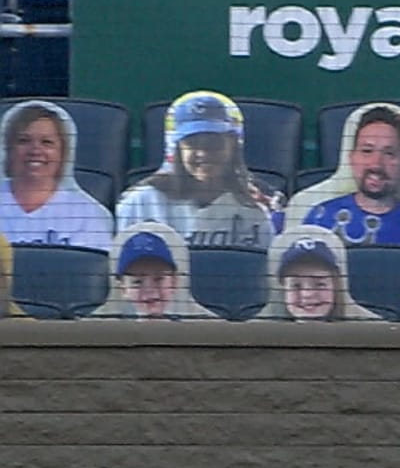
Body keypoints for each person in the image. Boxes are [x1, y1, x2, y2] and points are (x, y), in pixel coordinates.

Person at [115, 91, 281, 249]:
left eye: (213, 143)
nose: (203, 153)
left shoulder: (254, 209)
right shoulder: (140, 202)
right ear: (178, 148)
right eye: (192, 144)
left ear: (232, 146)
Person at [291, 103, 400, 251]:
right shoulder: (320, 218)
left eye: (389, 154)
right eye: (367, 151)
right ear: (351, 158)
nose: (376, 165)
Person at [0, 101, 113, 251]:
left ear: (63, 153)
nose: (35, 150)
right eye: (23, 141)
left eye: (47, 142)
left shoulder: (87, 214)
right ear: (9, 149)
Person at [92, 222, 218, 320]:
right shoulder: (104, 336)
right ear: (123, 289)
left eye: (159, 279)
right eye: (137, 282)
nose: (149, 290)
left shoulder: (203, 332)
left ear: (174, 282)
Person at [259, 226, 382, 321]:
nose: (307, 294)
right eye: (295, 286)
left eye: (320, 284)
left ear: (337, 285)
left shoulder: (376, 334)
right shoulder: (255, 338)